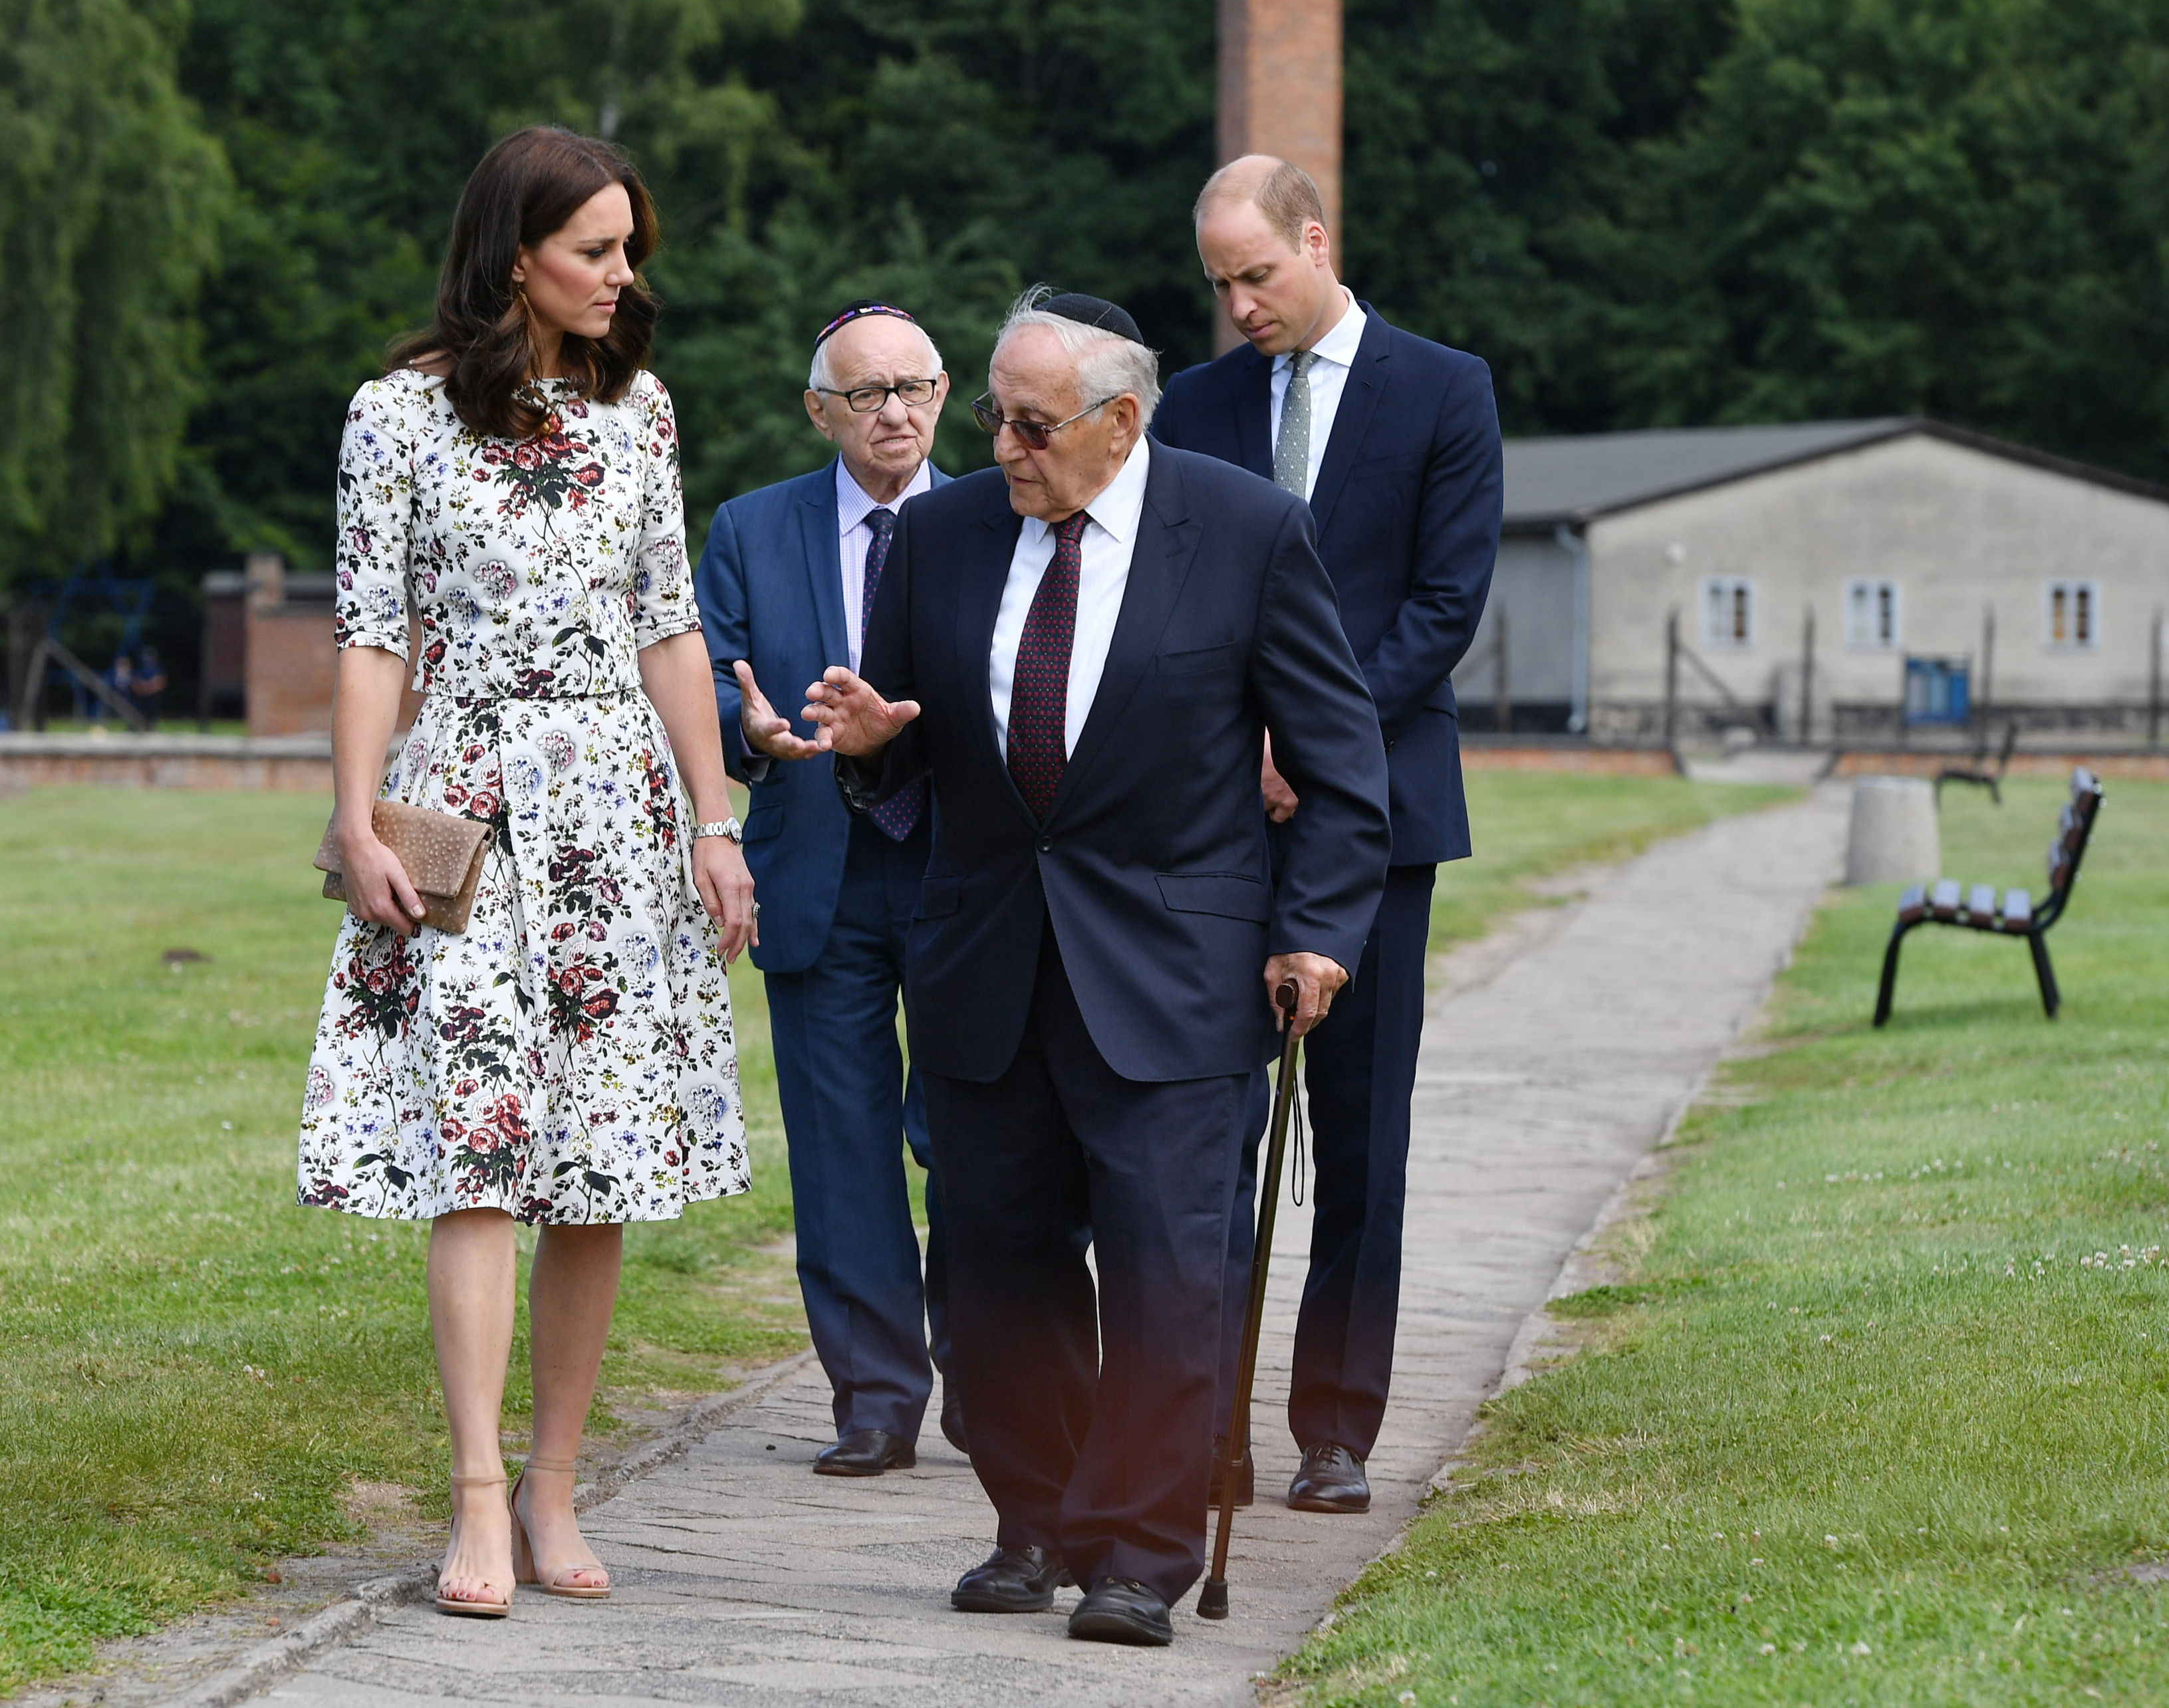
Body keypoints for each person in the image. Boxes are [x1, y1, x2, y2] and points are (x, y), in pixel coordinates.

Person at [801, 288, 1390, 1646]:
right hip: (987, 966)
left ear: (1120, 421)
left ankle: (1137, 1546)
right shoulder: (942, 536)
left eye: (1028, 423)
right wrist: (877, 745)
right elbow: (898, 758)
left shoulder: (1243, 532)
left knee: (1169, 1275)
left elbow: (1343, 765)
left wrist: (1316, 931)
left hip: (1176, 975)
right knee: (993, 1278)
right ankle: (1039, 1511)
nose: (997, 446)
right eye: (995, 415)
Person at [298, 125, 756, 1619]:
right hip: (472, 813)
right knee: (479, 1148)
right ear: (516, 259)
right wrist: (359, 818)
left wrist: (712, 819)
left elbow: (669, 626)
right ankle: (479, 1495)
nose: (626, 277)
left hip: (618, 818)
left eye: (632, 251)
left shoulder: (642, 417)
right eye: (598, 250)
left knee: (596, 1163)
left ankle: (559, 1481)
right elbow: (371, 634)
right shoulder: (397, 416)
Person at [1151, 156, 1503, 1515]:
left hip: (1380, 820)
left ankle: (1335, 1428)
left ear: (1315, 240)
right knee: (1208, 1134)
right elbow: (1177, 597)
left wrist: (1312, 737)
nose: (1240, 305)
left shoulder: (1441, 388)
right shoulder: (1195, 405)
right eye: (1219, 284)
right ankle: (1203, 1420)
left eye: (1256, 275)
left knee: (1359, 1136)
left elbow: (1444, 602)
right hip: (1221, 819)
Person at [694, 301, 957, 1475]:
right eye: (865, 394)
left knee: (974, 1140)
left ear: (945, 394)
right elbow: (699, 677)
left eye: (913, 387)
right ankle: (876, 1398)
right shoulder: (753, 529)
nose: (894, 412)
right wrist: (742, 730)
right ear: (819, 411)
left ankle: (996, 1377)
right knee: (841, 1144)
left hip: (968, 871)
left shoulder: (1001, 516)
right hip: (818, 867)